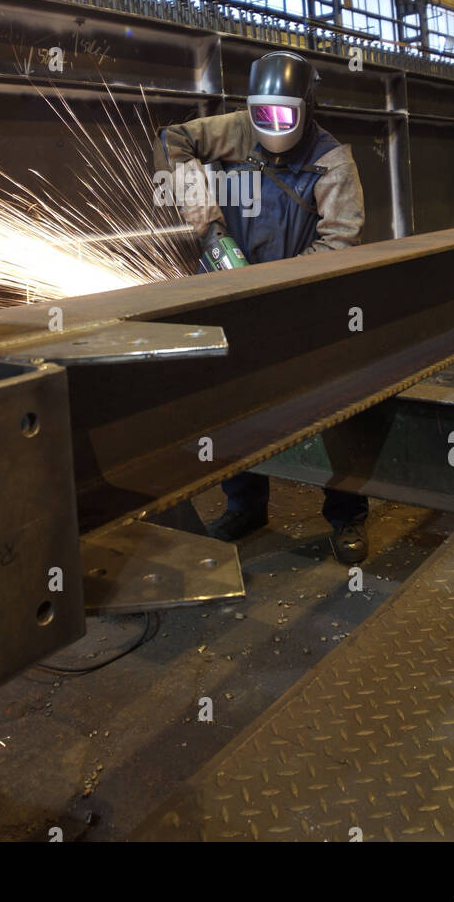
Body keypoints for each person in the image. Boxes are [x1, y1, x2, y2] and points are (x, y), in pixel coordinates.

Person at [153, 49, 369, 565]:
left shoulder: (333, 162)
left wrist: (279, 287)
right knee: (234, 401)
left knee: (330, 407)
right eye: (261, 114)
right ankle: (245, 506)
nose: (272, 126)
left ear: (306, 106)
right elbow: (173, 139)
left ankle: (348, 516)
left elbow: (340, 241)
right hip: (232, 291)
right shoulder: (237, 129)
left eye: (284, 115)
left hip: (302, 300)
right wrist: (207, 223)